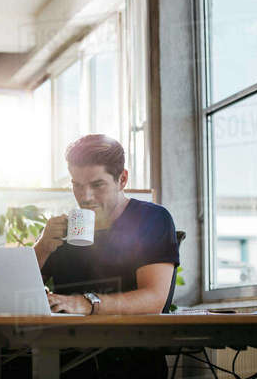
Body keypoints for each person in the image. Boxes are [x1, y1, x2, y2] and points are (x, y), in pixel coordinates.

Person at [32, 134, 180, 378]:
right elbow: (21, 288)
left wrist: (85, 303)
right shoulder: (62, 230)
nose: (85, 196)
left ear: (122, 179)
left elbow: (154, 300)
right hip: (65, 358)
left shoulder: (152, 219)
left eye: (97, 185)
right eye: (77, 185)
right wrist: (42, 246)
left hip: (131, 360)